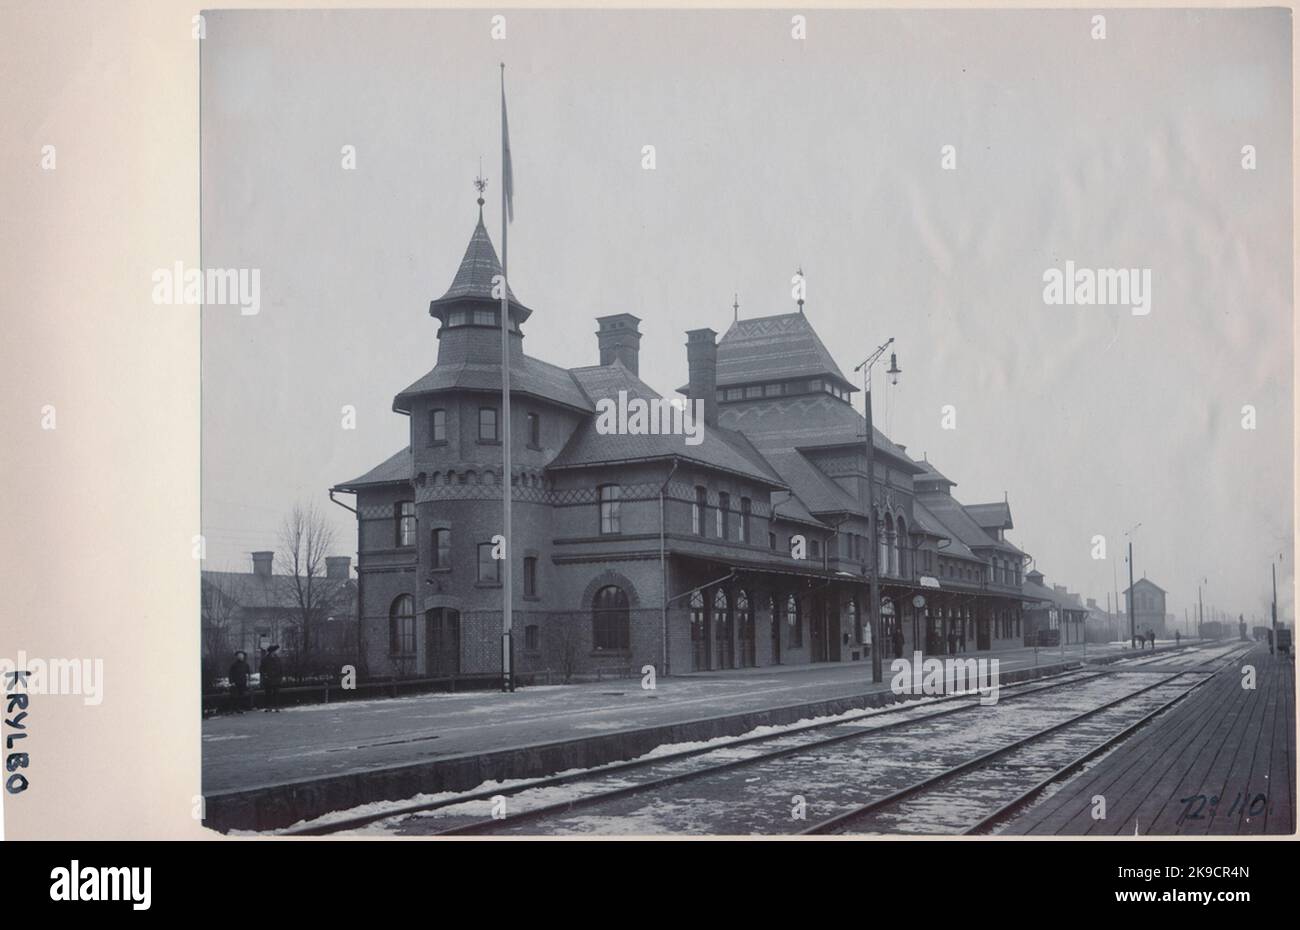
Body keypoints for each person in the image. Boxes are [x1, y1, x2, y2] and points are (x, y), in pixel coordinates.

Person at [261, 644, 284, 713]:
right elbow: (261, 669)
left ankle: (276, 707)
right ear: (270, 652)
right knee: (268, 694)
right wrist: (265, 676)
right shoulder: (265, 659)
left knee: (276, 694)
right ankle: (269, 707)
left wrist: (280, 677)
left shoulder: (278, 659)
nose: (275, 652)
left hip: (276, 679)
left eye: (275, 651)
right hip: (268, 679)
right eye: (274, 651)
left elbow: (281, 669)